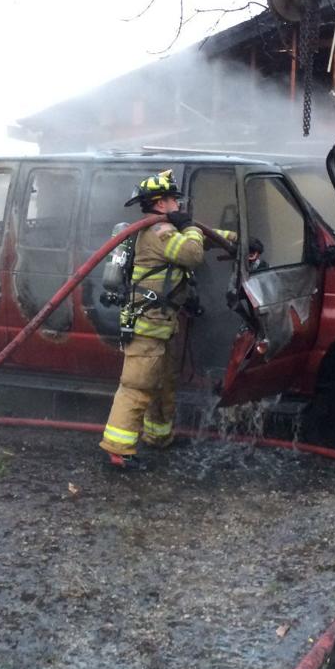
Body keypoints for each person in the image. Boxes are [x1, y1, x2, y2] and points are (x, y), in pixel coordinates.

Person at [99, 169, 233, 470]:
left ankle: (158, 437)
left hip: (161, 325)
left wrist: (240, 241)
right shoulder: (160, 232)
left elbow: (203, 236)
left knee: (162, 384)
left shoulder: (166, 229)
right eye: (174, 199)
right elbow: (192, 253)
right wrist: (189, 227)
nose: (178, 204)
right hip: (147, 326)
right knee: (137, 386)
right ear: (161, 203)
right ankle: (118, 451)